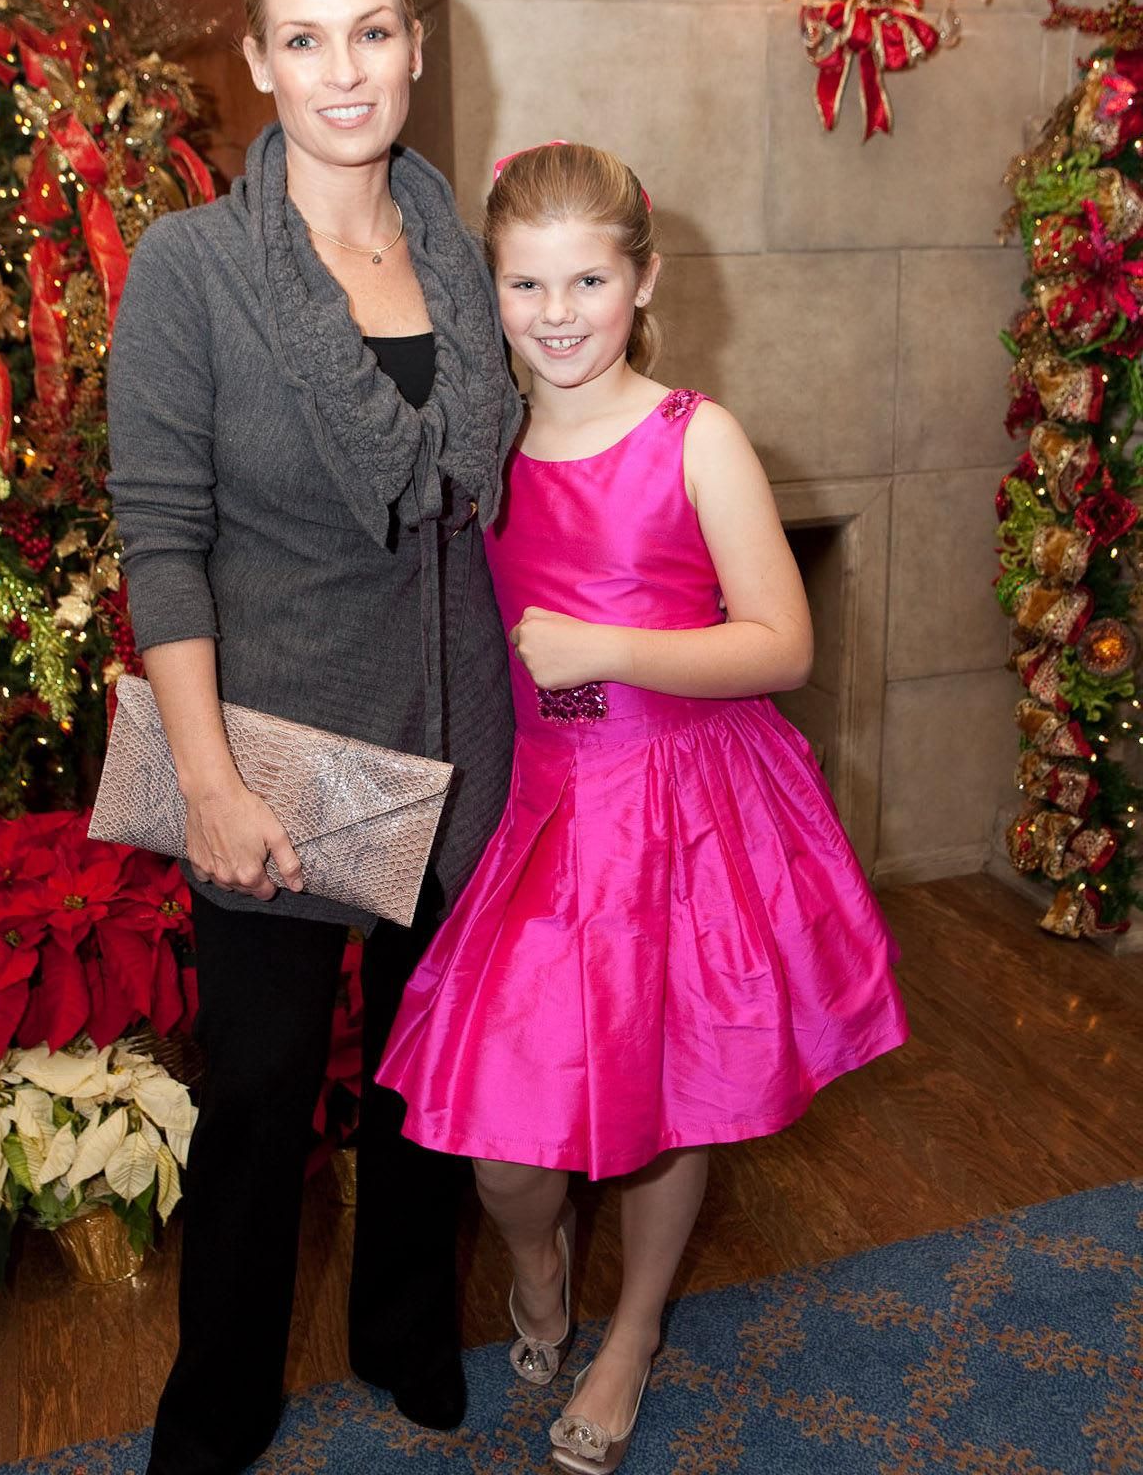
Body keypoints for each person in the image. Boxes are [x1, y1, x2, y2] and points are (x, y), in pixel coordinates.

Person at [378, 141, 910, 1473]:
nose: (558, 314)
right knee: (508, 1140)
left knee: (677, 1096)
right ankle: (543, 1271)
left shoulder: (697, 437)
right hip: (546, 818)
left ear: (644, 279)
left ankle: (635, 1332)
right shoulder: (488, 442)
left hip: (682, 807)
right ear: (487, 293)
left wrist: (613, 651)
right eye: (525, 285)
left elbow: (782, 643)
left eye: (589, 280)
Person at [105, 0, 521, 1475]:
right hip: (273, 749)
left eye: (370, 33)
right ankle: (219, 1395)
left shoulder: (463, 259)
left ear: (414, 47)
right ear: (258, 65)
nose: (342, 71)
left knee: (426, 1081)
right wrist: (206, 778)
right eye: (303, 39)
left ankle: (407, 1332)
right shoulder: (191, 267)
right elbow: (166, 536)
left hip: (459, 736)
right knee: (264, 1099)